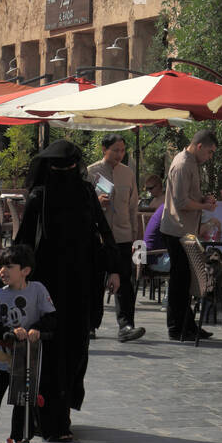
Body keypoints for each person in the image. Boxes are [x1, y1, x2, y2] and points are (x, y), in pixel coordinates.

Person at [17, 139, 121, 441]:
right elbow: (25, 240)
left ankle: (58, 413)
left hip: (81, 287)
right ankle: (50, 419)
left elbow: (103, 231)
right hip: (47, 289)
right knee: (49, 353)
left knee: (73, 351)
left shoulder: (85, 194)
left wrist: (113, 267)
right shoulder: (40, 197)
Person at [0, 244, 56, 443]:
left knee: (23, 403)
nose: (2, 271)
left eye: (9, 267)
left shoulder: (38, 290)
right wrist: (8, 334)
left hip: (25, 362)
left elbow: (51, 317)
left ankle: (19, 441)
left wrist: (36, 329)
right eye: (1, 267)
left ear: (25, 270)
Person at [160, 129, 218, 342]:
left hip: (185, 230)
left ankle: (187, 324)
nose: (209, 157)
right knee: (180, 280)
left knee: (185, 280)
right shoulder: (183, 164)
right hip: (177, 230)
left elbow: (188, 196)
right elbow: (182, 202)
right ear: (200, 146)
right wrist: (204, 205)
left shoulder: (192, 162)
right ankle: (176, 327)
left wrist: (203, 199)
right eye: (210, 152)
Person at [87, 136, 145, 343]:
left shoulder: (128, 173)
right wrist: (96, 201)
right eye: (115, 150)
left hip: (121, 235)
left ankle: (126, 325)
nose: (120, 155)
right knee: (95, 280)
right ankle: (90, 325)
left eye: (122, 150)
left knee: (125, 281)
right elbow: (82, 205)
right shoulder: (90, 172)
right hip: (98, 236)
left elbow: (132, 206)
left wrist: (135, 235)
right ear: (104, 149)